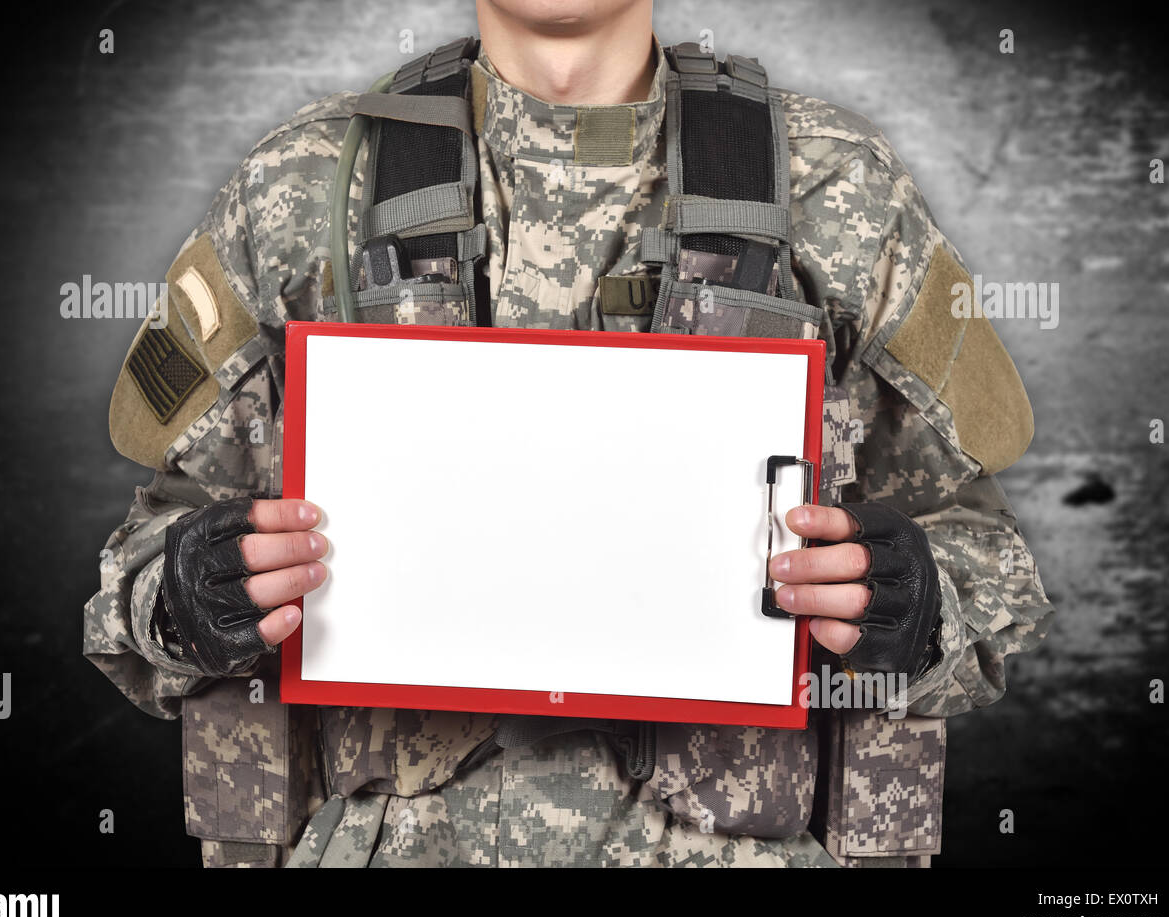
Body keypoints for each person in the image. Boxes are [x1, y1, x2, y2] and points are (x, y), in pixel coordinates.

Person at [84, 0, 1053, 867]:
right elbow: (127, 583)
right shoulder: (297, 194)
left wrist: (914, 604)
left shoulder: (839, 193)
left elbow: (992, 571)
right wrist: (181, 594)